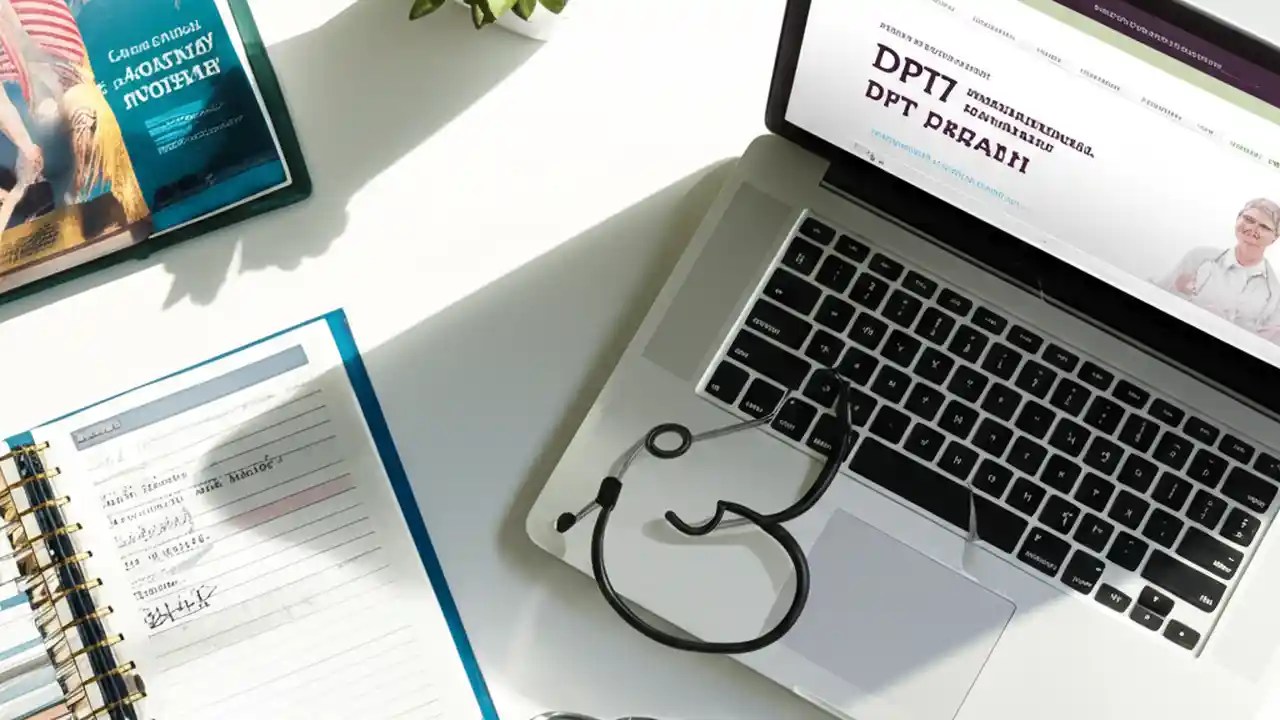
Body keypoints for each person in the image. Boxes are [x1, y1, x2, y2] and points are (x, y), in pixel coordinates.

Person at [1157, 198, 1280, 340]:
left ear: (1275, 237)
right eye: (1248, 219)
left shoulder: (1275, 294)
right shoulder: (1199, 258)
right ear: (1238, 219)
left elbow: (1268, 343)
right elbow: (1159, 293)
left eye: (1264, 227)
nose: (1253, 229)